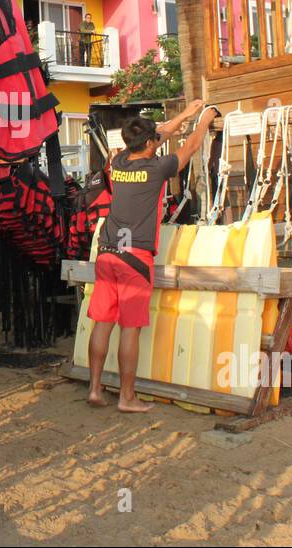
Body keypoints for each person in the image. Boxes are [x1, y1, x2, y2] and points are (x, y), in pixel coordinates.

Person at [87, 101, 218, 412]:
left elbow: (156, 134)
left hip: (106, 252)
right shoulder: (157, 168)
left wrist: (185, 114)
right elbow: (192, 146)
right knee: (129, 328)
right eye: (153, 140)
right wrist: (204, 119)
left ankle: (94, 390)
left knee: (103, 323)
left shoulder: (118, 161)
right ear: (149, 145)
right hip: (135, 258)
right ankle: (127, 397)